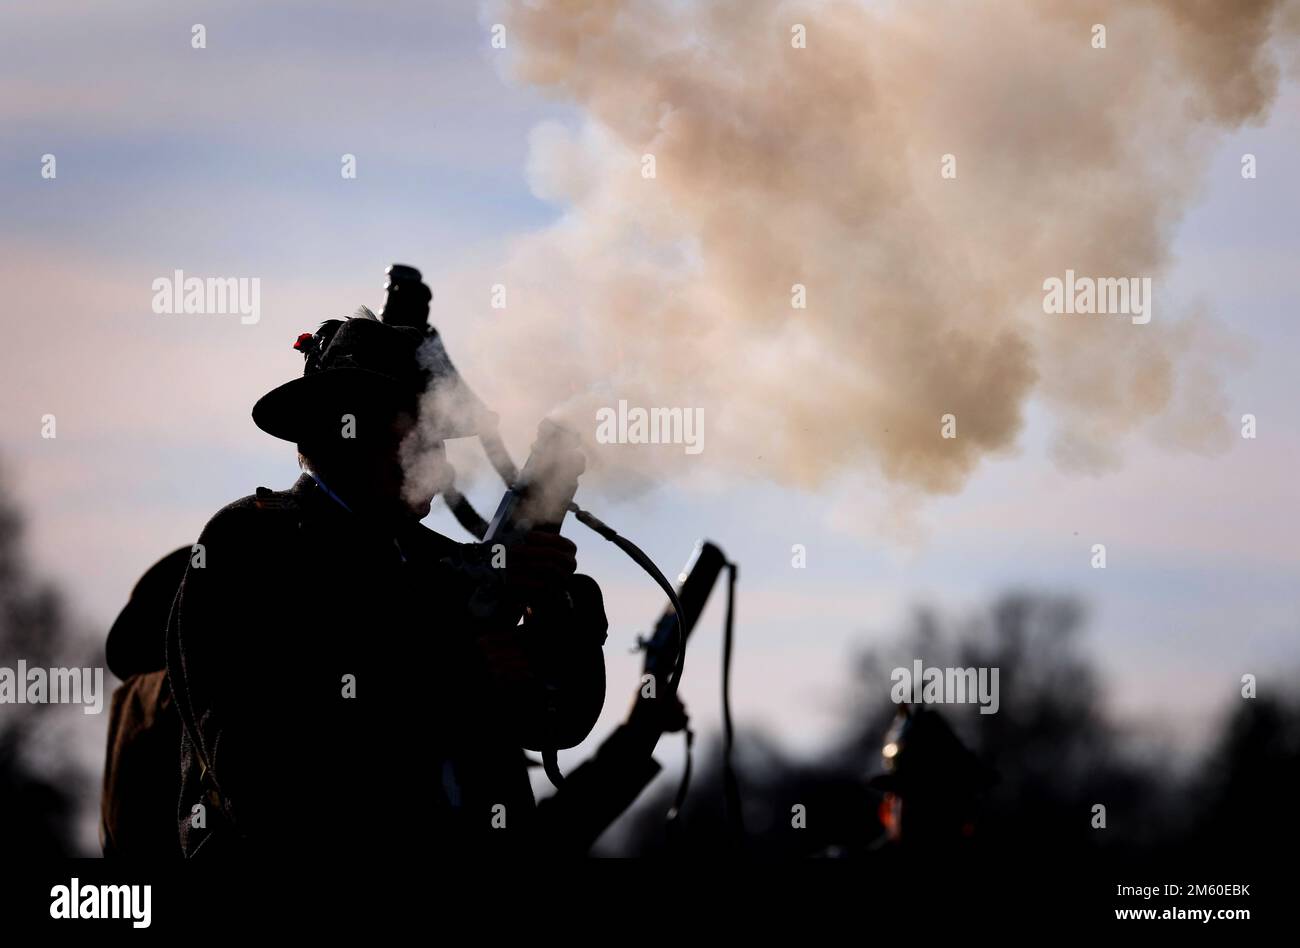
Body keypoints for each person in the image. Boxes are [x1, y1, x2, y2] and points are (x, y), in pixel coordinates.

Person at [165, 311, 607, 858]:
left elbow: (556, 721)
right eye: (422, 439)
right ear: (349, 429)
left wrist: (554, 612)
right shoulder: (252, 544)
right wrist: (460, 663)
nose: (442, 471)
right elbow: (263, 769)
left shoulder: (441, 564)